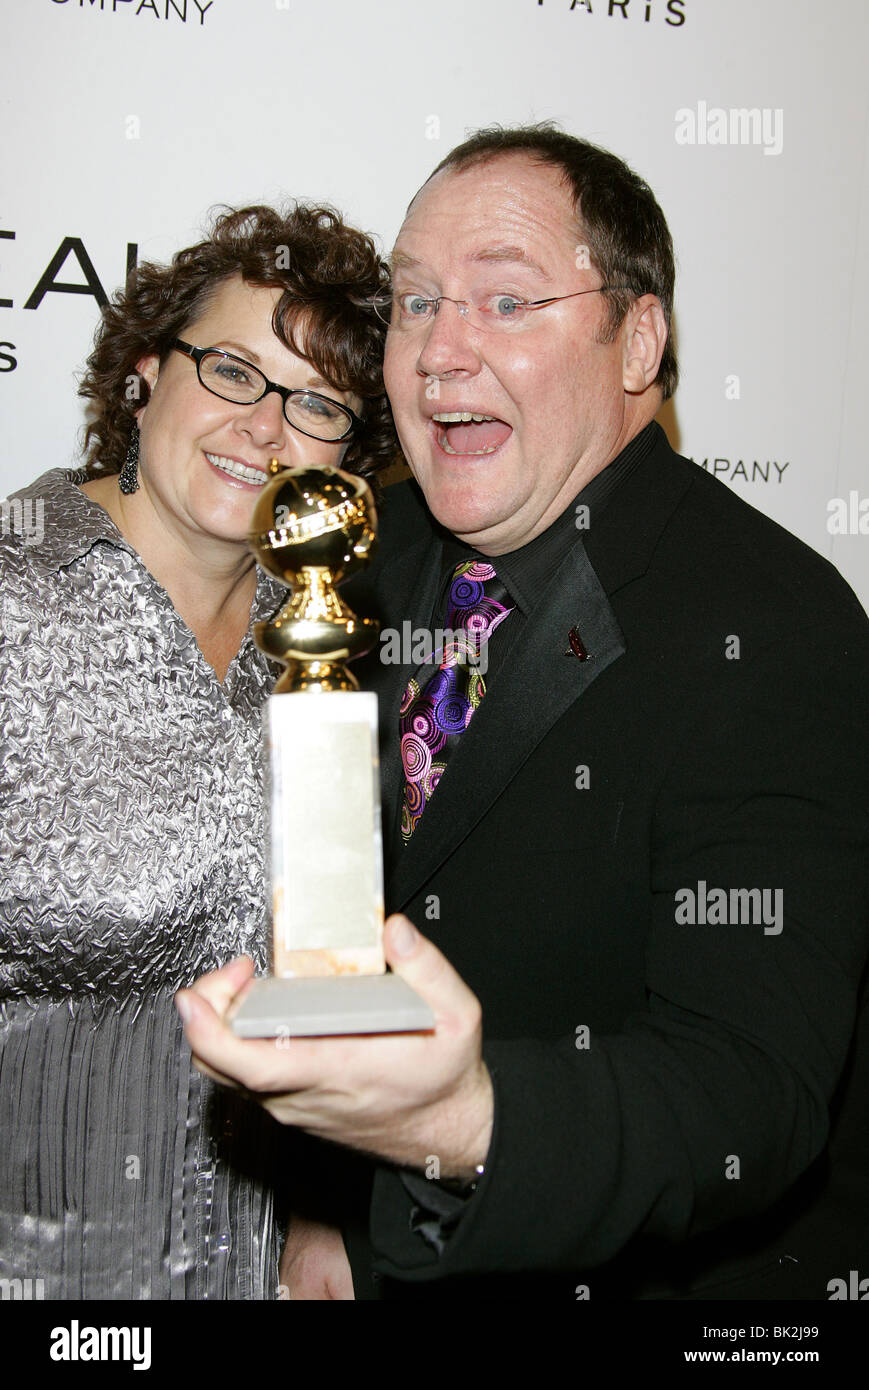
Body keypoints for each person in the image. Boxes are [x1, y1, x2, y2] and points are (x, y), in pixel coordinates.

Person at [178, 126, 869, 1301]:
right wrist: (334, 1217)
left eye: (505, 301)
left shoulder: (770, 622)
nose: (441, 351)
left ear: (636, 340)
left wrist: (461, 1124)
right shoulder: (360, 554)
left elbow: (745, 1086)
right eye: (413, 303)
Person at [0, 202, 394, 1299]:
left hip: (252, 1271)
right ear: (142, 373)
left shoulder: (324, 646)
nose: (265, 429)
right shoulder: (11, 596)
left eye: (314, 402)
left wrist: (326, 1216)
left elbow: (326, 987)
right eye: (231, 371)